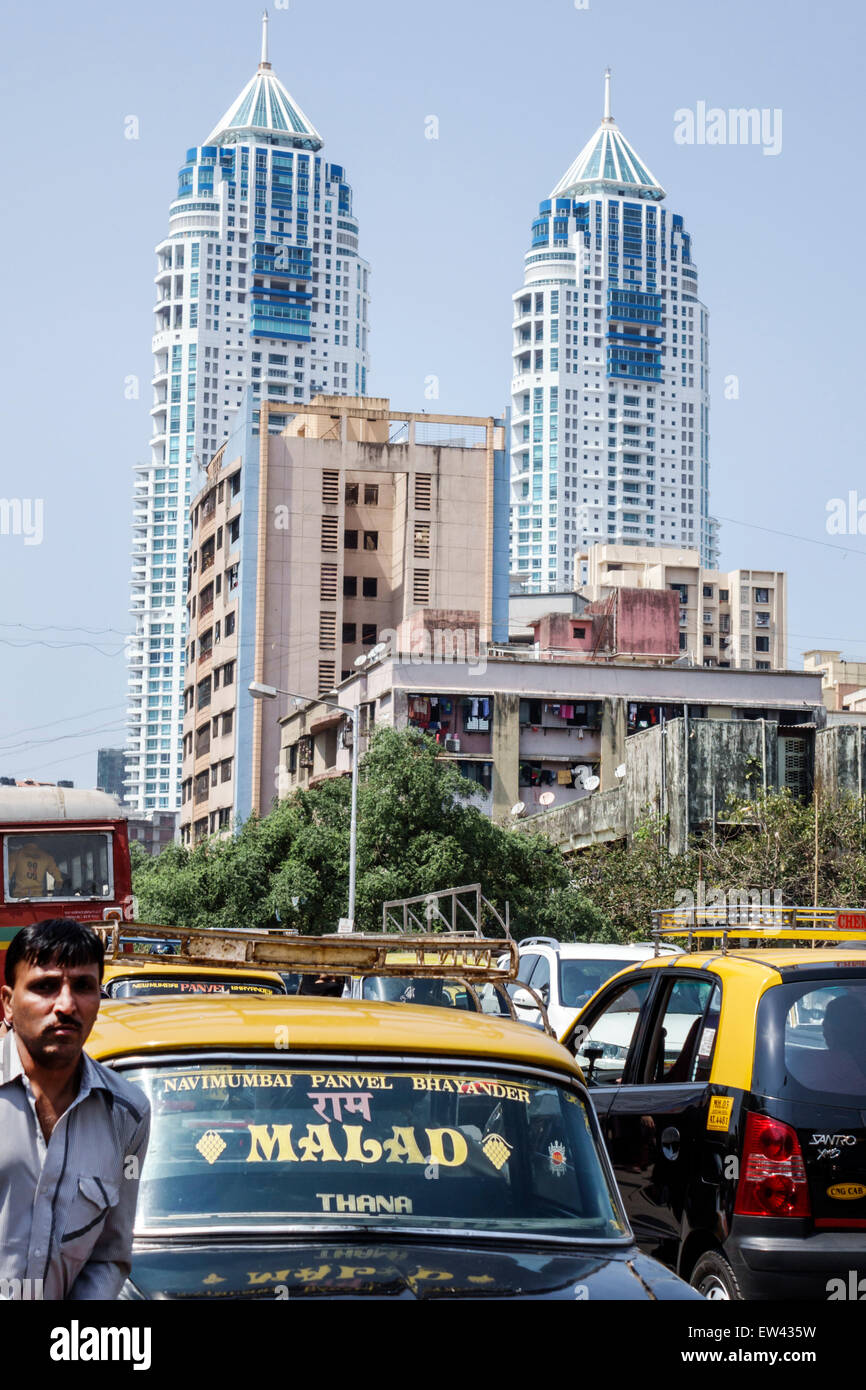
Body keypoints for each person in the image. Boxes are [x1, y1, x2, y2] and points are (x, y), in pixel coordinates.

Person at [0, 919, 150, 1300]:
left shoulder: (127, 1114)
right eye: (45, 986)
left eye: (83, 986)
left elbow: (108, 1257)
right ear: (8, 1003)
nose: (66, 1005)